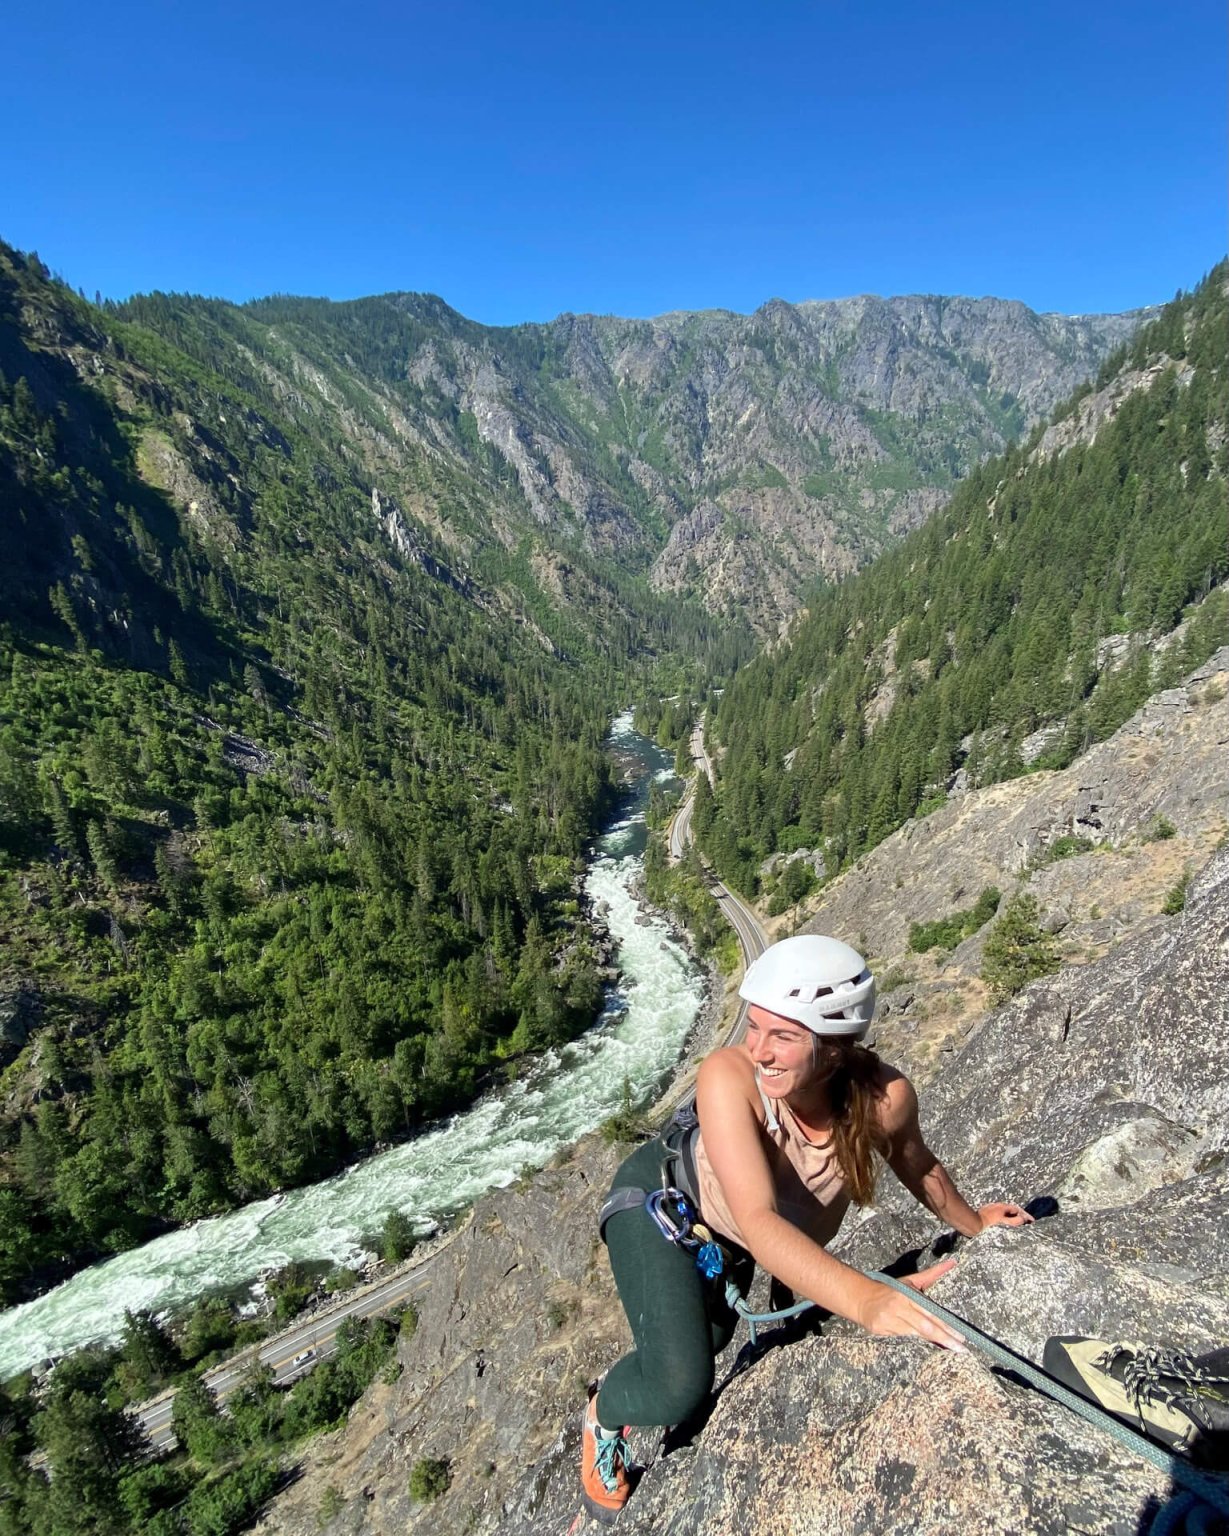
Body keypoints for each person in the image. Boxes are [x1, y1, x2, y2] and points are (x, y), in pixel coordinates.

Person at [580, 933, 1033, 1521]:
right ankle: (602, 1412)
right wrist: (867, 1301)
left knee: (708, 1341)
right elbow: (758, 1220)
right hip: (666, 1209)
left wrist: (974, 1224)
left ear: (835, 1049)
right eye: (754, 1027)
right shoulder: (729, 1076)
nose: (759, 1050)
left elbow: (917, 1165)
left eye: (783, 1036)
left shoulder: (884, 1099)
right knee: (679, 1385)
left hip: (728, 1237)